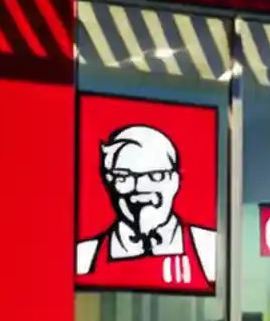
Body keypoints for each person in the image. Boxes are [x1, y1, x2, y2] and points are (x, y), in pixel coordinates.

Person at [76, 124, 216, 291]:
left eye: (155, 176)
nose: (140, 188)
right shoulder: (84, 256)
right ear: (109, 181)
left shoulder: (209, 247)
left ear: (175, 181)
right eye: (125, 177)